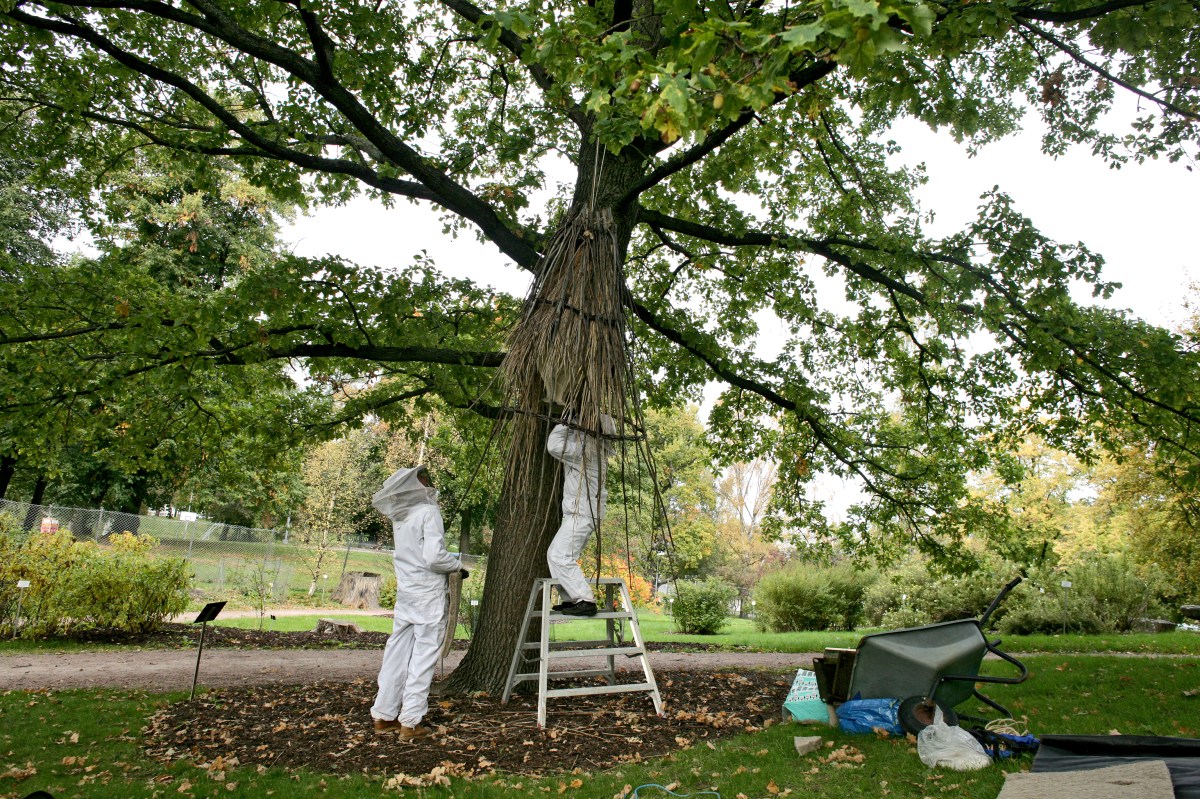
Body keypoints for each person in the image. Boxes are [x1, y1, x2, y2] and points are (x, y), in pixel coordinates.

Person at [369, 466, 466, 739]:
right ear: (414, 484)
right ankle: (410, 722)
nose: (429, 481)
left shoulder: (400, 516)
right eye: (424, 477)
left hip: (407, 594)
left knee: (396, 654)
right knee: (423, 657)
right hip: (428, 594)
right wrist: (457, 565)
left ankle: (383, 716)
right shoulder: (428, 512)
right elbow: (434, 557)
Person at [546, 416, 613, 617]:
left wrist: (565, 421)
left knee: (559, 555)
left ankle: (584, 599)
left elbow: (554, 445)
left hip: (582, 513)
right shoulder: (596, 448)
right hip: (583, 512)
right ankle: (572, 599)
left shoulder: (586, 450)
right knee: (563, 555)